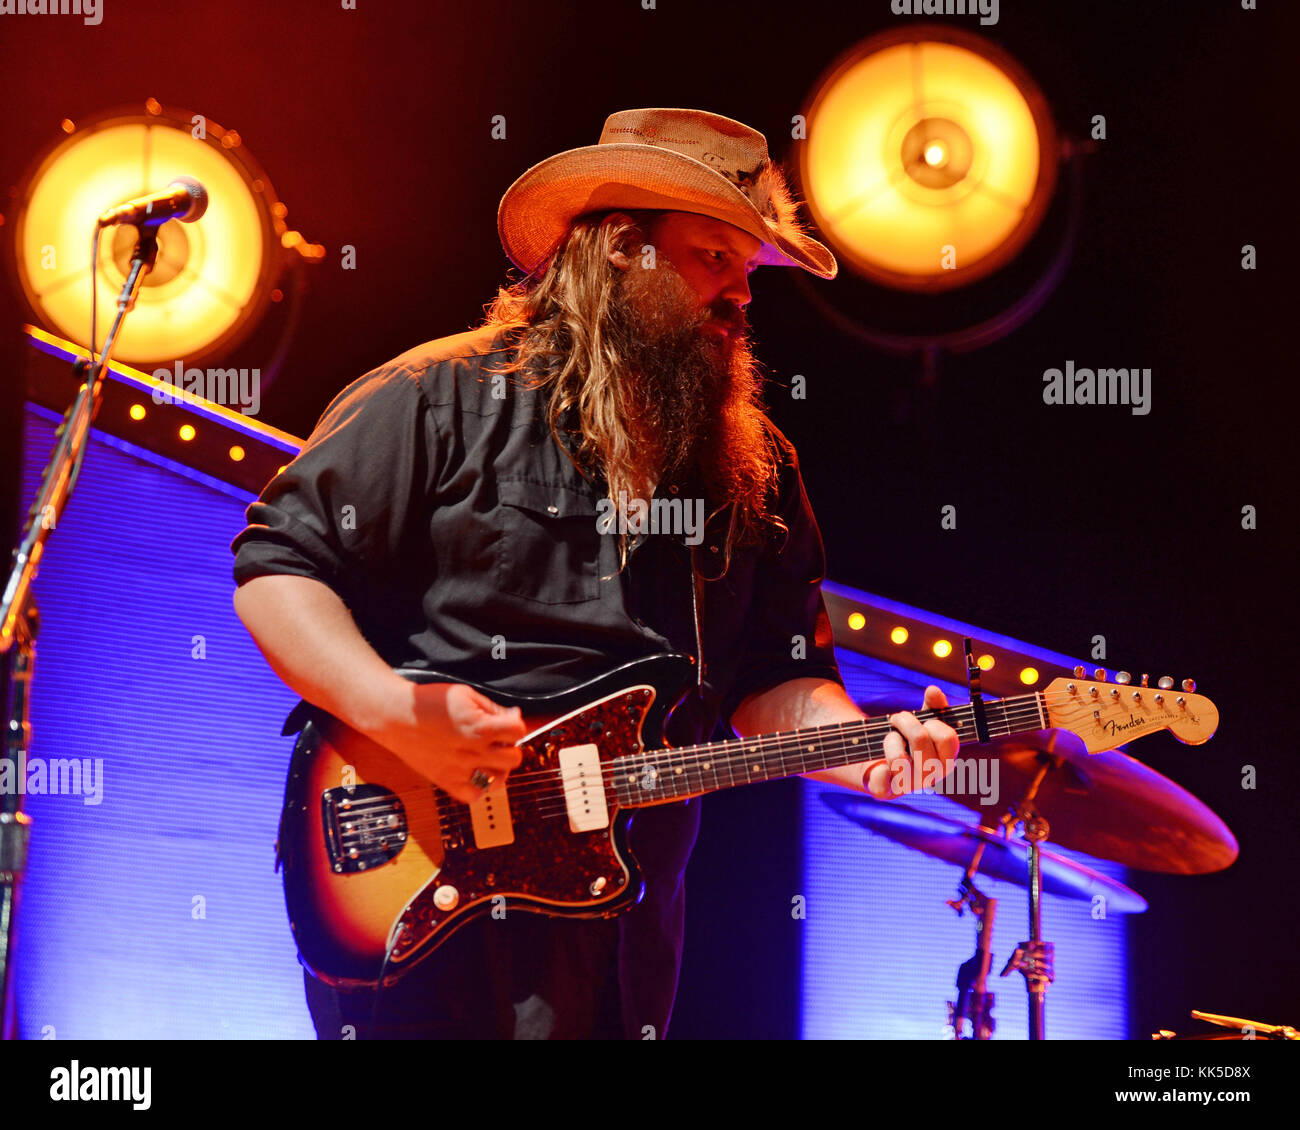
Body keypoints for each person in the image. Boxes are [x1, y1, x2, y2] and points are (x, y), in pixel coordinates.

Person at [230, 107, 959, 1040]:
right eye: (712, 259)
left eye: (748, 272)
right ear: (622, 248)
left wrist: (856, 746)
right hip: (422, 882)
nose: (741, 296)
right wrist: (393, 709)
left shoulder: (755, 467)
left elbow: (778, 679)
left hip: (626, 915)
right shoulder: (439, 395)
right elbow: (278, 569)